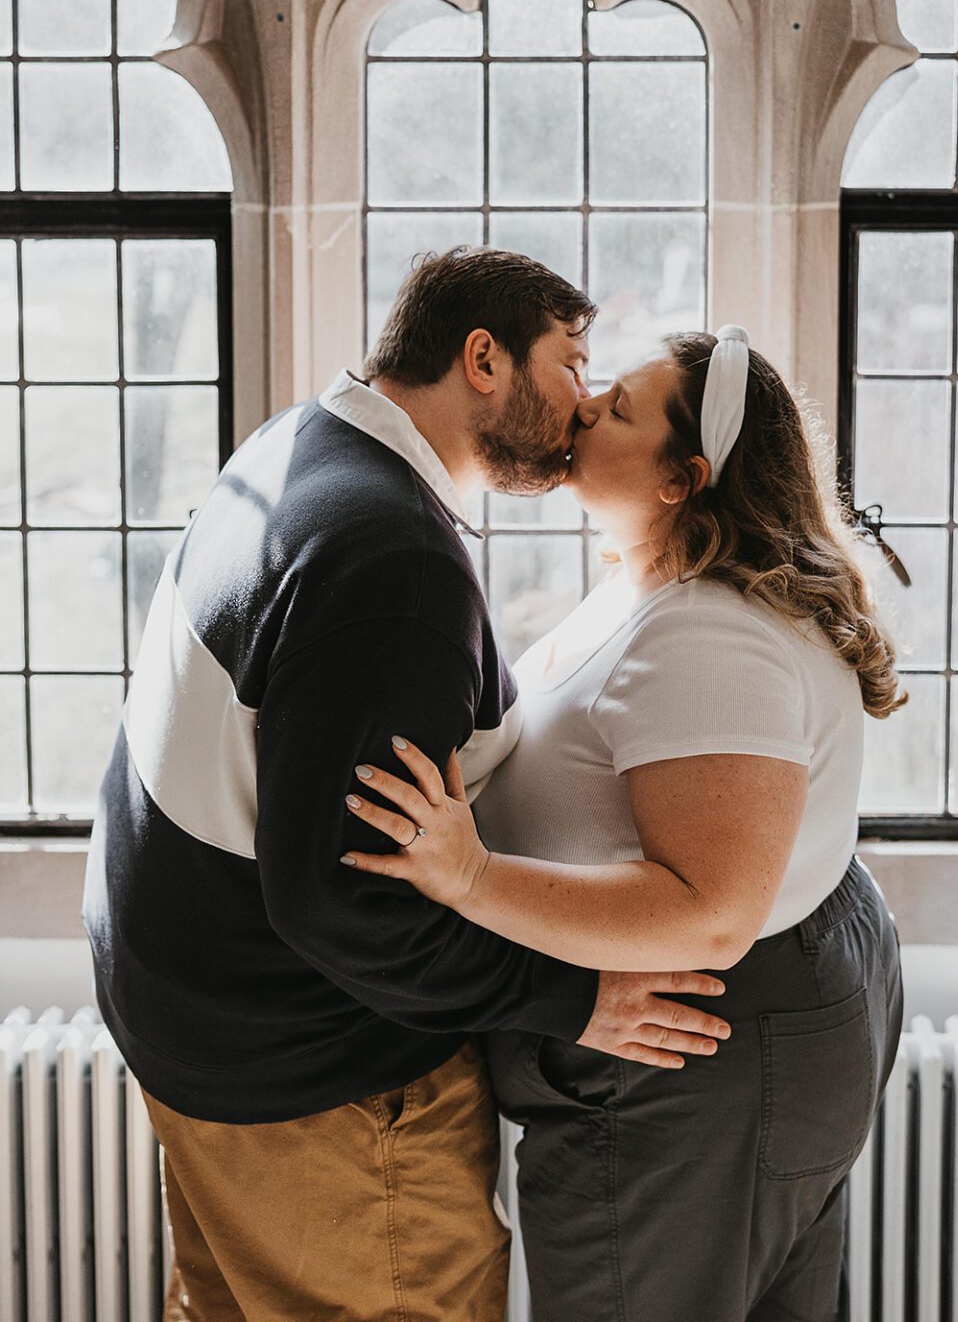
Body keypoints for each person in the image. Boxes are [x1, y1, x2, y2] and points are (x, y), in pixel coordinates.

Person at [82, 248, 730, 1322]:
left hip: (191, 1021)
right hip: (314, 1080)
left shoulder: (298, 444)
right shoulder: (394, 557)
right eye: (573, 362)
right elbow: (338, 897)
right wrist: (574, 998)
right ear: (484, 358)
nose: (580, 404)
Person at [339, 325, 906, 1322]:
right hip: (746, 1024)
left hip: (698, 1045)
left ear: (681, 479)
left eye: (622, 408)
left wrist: (468, 876)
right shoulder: (658, 577)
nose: (587, 406)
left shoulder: (711, 635)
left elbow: (713, 911)